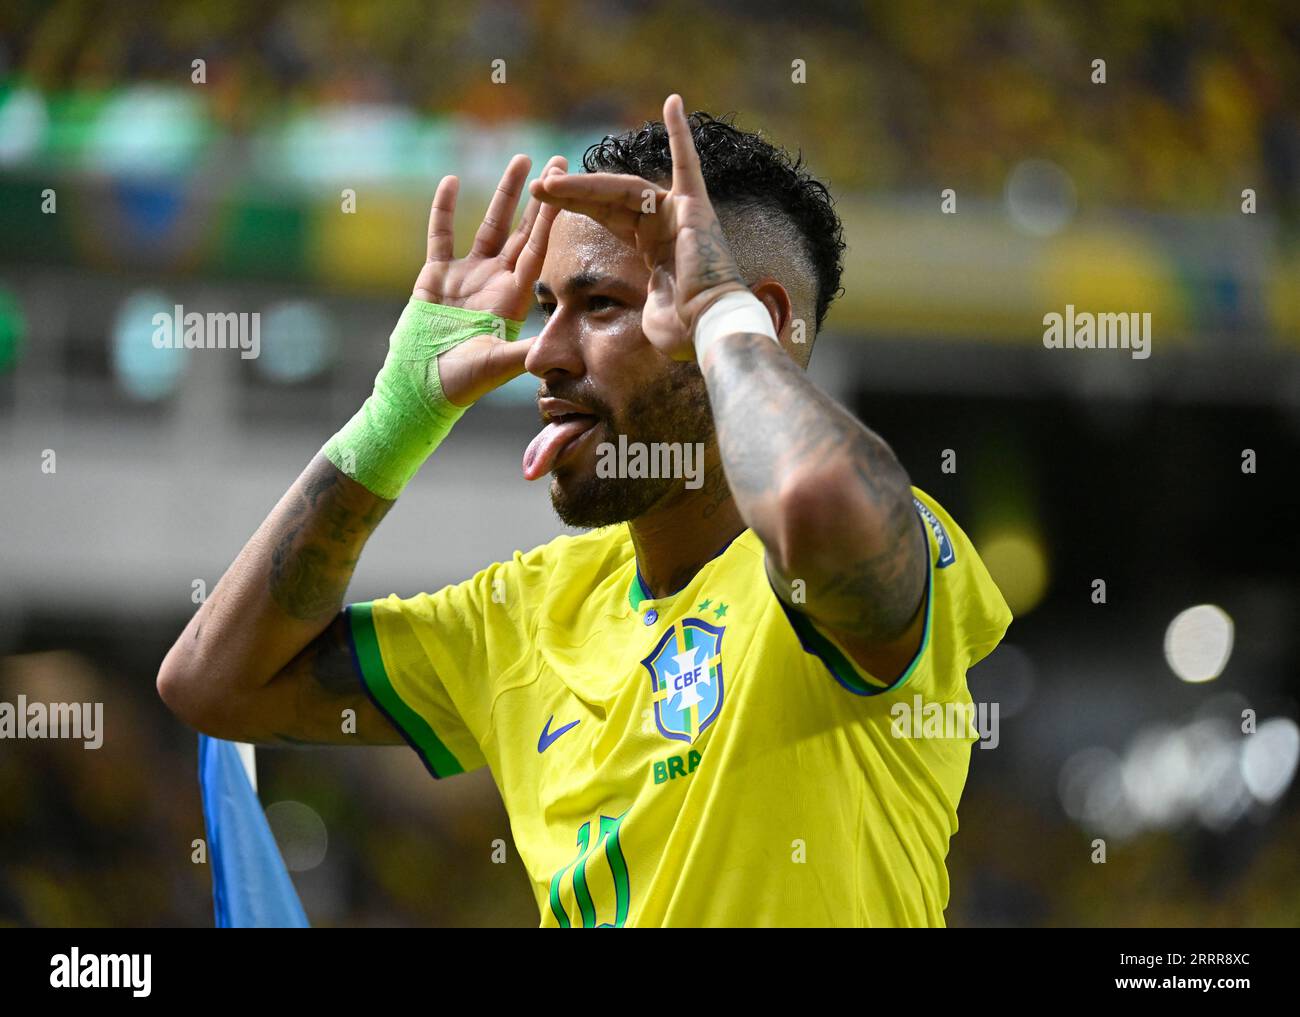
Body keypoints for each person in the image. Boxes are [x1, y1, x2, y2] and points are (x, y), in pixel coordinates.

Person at [158, 94, 1012, 927]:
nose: (544, 354)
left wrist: (722, 317)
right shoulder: (525, 613)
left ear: (761, 319)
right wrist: (396, 416)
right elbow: (216, 683)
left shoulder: (859, 548)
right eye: (546, 309)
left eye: (601, 305)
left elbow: (810, 500)